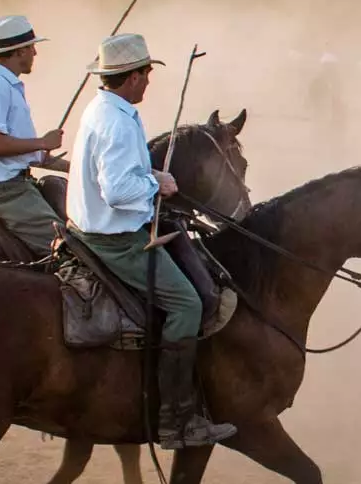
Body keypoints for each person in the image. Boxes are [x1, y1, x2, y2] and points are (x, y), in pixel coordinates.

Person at [67, 33, 236, 450]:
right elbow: (118, 192)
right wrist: (157, 183)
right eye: (145, 73)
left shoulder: (109, 108)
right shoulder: (116, 121)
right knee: (187, 304)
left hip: (115, 227)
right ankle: (174, 419)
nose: (148, 80)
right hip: (115, 240)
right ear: (132, 77)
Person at [0, 15, 67, 257]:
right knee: (68, 250)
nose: (35, 53)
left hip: (11, 185)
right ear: (19, 52)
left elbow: (21, 152)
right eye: (31, 47)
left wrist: (75, 167)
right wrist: (43, 141)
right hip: (4, 191)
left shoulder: (5, 85)